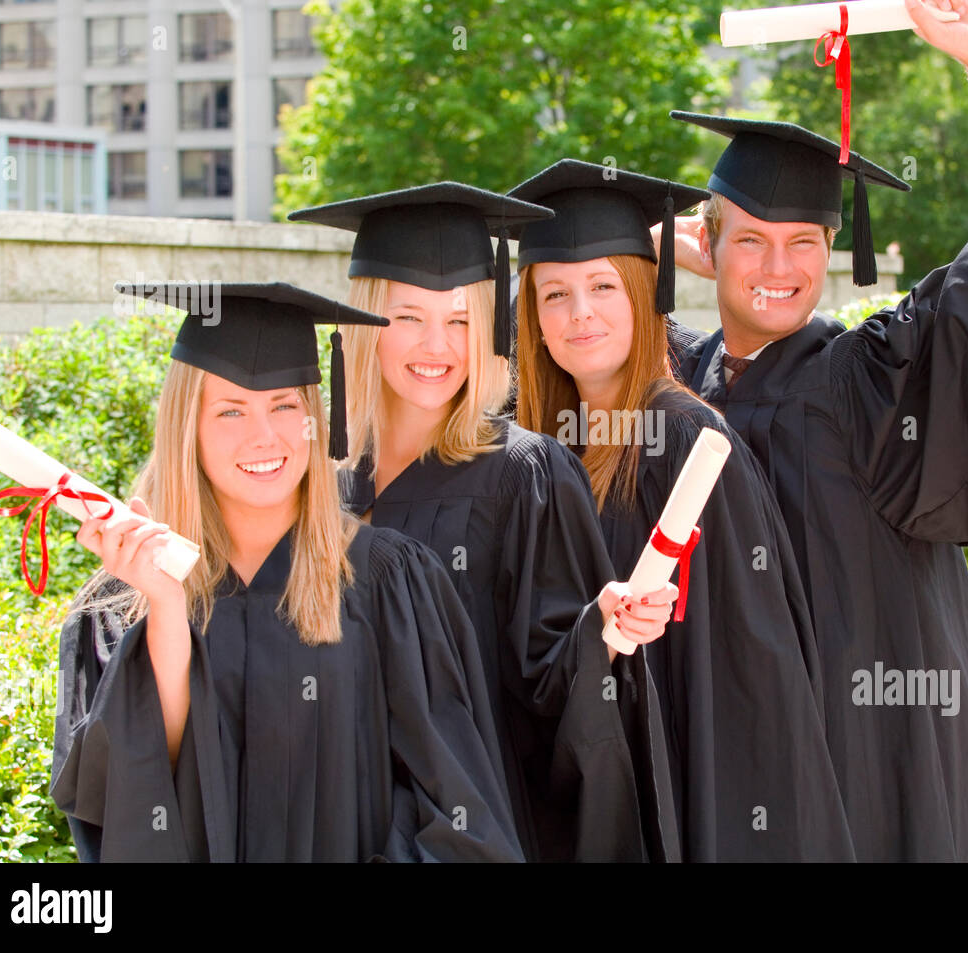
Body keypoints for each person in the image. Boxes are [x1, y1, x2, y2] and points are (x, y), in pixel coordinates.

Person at [669, 0, 968, 862]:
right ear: (706, 239)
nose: (781, 268)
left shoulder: (869, 381)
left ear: (834, 246)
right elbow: (580, 276)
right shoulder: (681, 387)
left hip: (876, 782)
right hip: (731, 784)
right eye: (751, 241)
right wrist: (687, 242)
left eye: (803, 241)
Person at [52, 282, 523, 862]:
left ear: (313, 421)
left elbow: (459, 815)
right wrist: (166, 612)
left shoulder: (387, 582)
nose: (265, 436)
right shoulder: (121, 600)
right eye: (230, 410)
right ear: (187, 428)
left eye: (285, 405)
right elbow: (127, 802)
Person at [287, 185, 681, 862]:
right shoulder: (320, 485)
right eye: (407, 316)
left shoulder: (525, 475)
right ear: (363, 320)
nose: (436, 345)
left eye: (462, 319)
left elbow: (553, 686)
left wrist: (601, 632)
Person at [509, 159, 856, 861]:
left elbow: (751, 680)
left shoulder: (684, 439)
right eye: (555, 294)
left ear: (645, 293)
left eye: (605, 285)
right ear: (531, 317)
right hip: (568, 796)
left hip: (679, 804)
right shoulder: (529, 453)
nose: (580, 313)